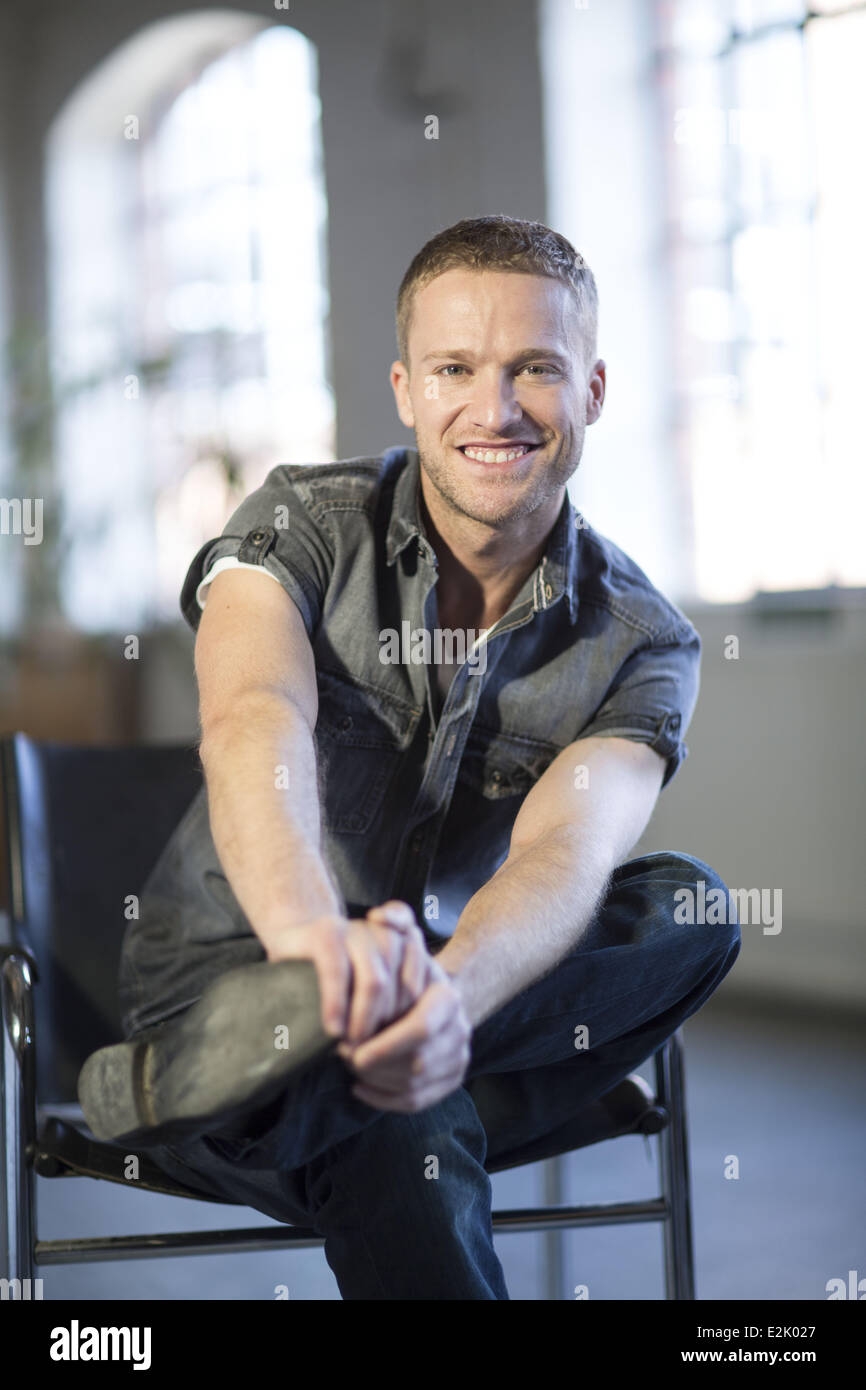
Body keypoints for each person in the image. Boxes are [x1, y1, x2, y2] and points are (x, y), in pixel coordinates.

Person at [79, 215, 740, 1300]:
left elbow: (568, 851)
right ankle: (335, 1049)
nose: (494, 409)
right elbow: (253, 721)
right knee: (407, 1111)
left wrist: (441, 995)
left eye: (535, 368)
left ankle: (358, 1057)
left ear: (593, 390)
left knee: (692, 907)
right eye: (454, 368)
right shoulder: (300, 525)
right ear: (403, 386)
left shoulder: (643, 639)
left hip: (461, 993)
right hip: (233, 990)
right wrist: (316, 950)